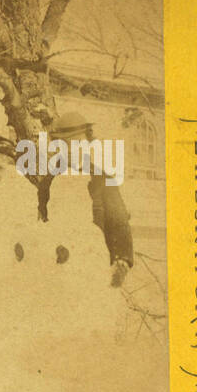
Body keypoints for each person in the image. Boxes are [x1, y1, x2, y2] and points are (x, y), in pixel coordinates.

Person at [45, 111, 135, 286]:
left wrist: (122, 259)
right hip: (55, 264)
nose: (72, 149)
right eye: (65, 144)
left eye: (78, 143)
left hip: (93, 262)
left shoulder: (102, 179)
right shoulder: (48, 181)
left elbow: (119, 220)